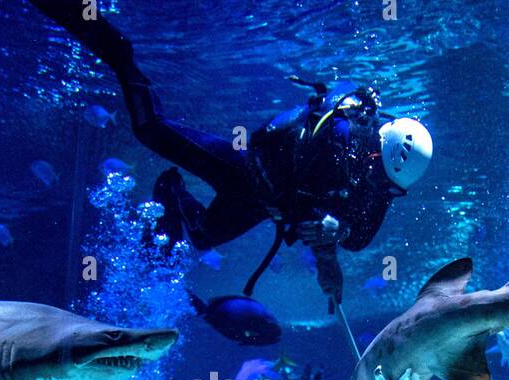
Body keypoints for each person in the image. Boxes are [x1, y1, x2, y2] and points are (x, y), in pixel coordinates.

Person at [25, 0, 433, 313]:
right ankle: (118, 50)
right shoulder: (342, 137)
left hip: (261, 203)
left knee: (199, 236)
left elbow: (358, 234)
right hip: (245, 168)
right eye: (381, 177)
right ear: (382, 150)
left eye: (388, 187)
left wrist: (336, 238)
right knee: (149, 129)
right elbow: (311, 193)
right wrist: (328, 243)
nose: (379, 187)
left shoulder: (379, 175)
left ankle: (171, 188)